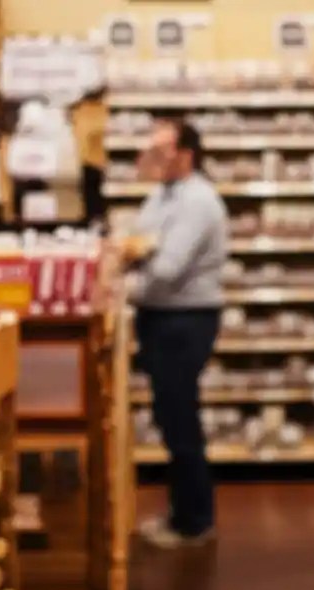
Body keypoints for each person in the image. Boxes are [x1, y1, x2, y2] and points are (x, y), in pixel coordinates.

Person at [127, 121, 228, 549]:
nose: (152, 157)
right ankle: (181, 511)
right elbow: (135, 240)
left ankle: (194, 522)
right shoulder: (164, 193)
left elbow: (166, 269)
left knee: (180, 419)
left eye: (160, 150)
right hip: (162, 318)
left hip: (184, 320)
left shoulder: (199, 201)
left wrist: (127, 285)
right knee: (170, 418)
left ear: (186, 153)